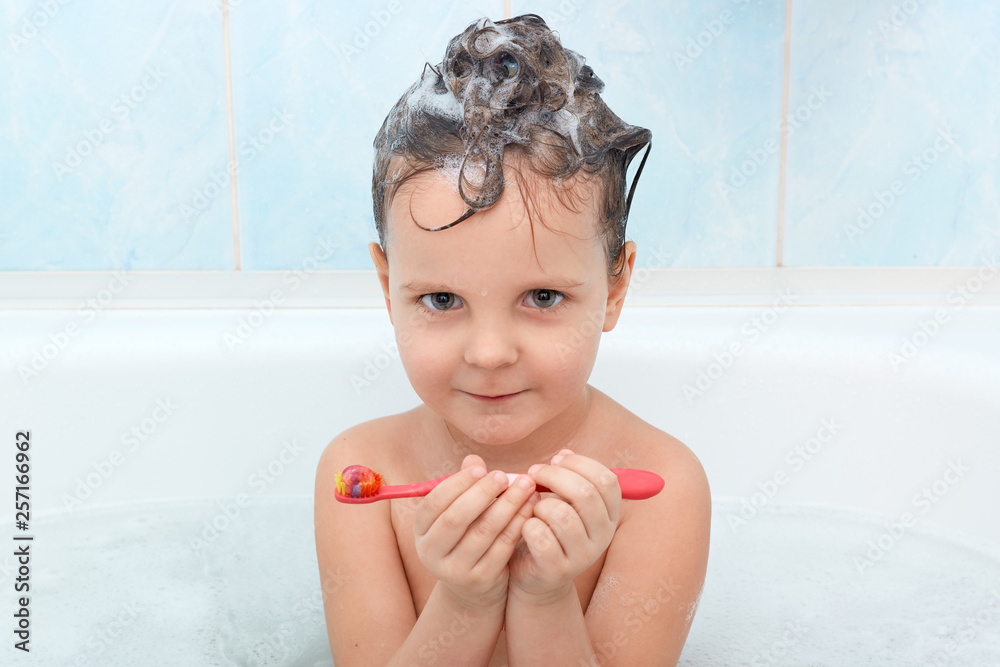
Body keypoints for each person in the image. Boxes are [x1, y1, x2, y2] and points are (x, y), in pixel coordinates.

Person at [315, 14, 710, 666]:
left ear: (614, 288)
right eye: (441, 300)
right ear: (389, 290)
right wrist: (463, 601)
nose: (490, 352)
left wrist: (544, 595)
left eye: (543, 297)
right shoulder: (362, 477)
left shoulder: (662, 489)